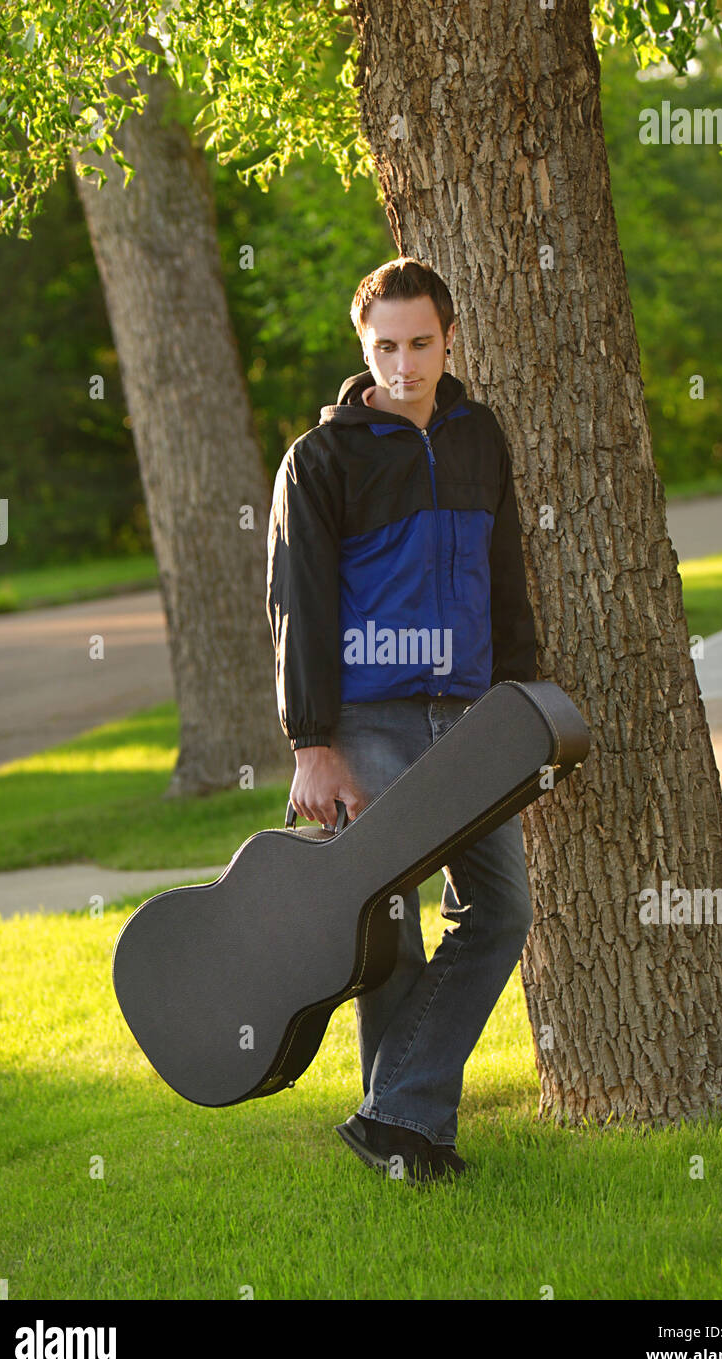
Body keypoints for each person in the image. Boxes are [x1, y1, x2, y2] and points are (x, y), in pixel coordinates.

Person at [265, 257, 537, 1186]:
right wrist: (312, 742)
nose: (405, 365)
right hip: (367, 717)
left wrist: (524, 712)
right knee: (392, 927)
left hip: (471, 715)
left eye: (422, 343)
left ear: (450, 338)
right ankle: (414, 1147)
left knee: (502, 912)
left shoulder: (479, 436)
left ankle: (392, 1114)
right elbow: (295, 603)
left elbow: (507, 583)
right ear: (362, 345)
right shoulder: (321, 458)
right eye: (387, 346)